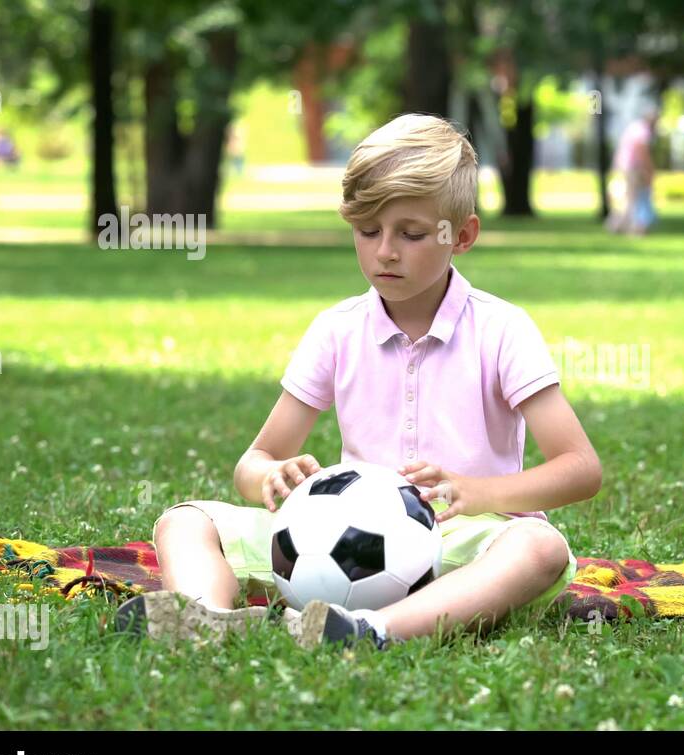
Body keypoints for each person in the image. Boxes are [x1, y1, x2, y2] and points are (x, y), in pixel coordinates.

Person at [115, 114, 602, 650]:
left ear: (461, 236)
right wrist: (272, 477)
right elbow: (253, 463)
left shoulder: (502, 330)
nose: (385, 251)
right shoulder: (337, 330)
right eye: (368, 232)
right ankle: (203, 617)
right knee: (184, 521)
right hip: (331, 545)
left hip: (464, 547)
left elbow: (580, 469)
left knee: (539, 549)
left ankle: (372, 631)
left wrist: (478, 493)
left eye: (411, 234)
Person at [606, 105, 658, 235]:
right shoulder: (643, 130)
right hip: (633, 167)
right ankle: (631, 227)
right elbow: (642, 151)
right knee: (634, 198)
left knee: (629, 198)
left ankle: (619, 225)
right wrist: (650, 169)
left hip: (624, 166)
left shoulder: (634, 127)